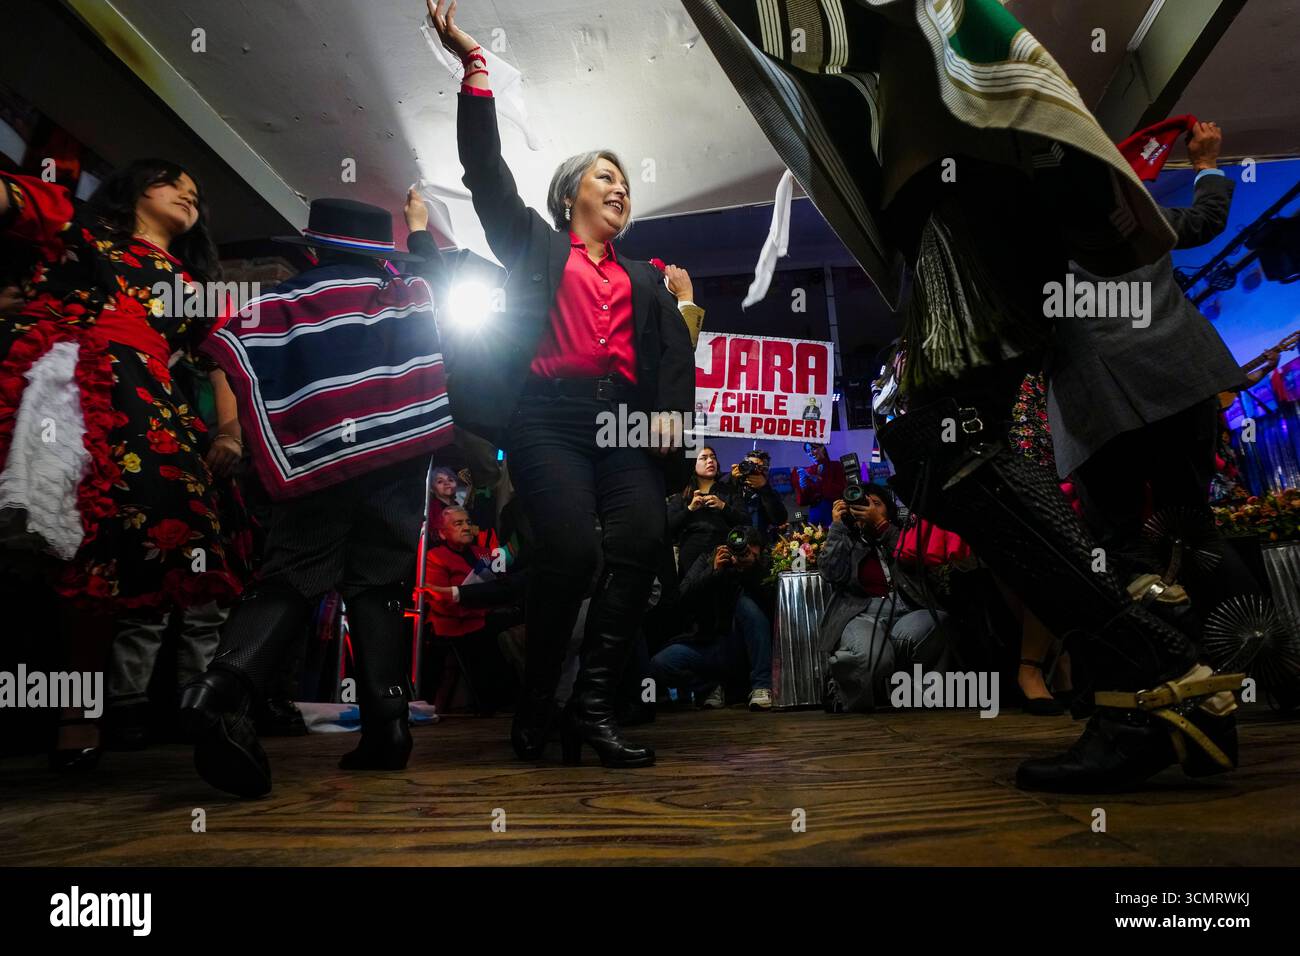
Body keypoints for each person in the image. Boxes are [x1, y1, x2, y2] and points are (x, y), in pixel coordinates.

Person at [684, 0, 1243, 793]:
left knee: (948, 444)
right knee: (952, 446)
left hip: (963, 197)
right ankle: (1152, 675)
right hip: (952, 198)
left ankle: (1156, 672)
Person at [428, 0, 701, 769]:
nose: (620, 189)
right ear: (571, 193)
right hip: (546, 422)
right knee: (573, 554)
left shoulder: (650, 279)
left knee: (645, 538)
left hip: (622, 427)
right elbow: (483, 173)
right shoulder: (535, 247)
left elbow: (673, 361)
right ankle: (539, 698)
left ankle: (591, 708)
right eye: (605, 177)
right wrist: (474, 69)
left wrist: (683, 337)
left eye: (624, 182)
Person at [179, 190, 450, 797]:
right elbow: (441, 340)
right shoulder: (406, 296)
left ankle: (218, 689)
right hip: (396, 457)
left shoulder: (276, 301)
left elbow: (226, 352)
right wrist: (419, 232)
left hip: (315, 461)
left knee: (293, 576)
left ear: (312, 247)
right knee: (379, 584)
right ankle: (389, 726)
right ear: (380, 251)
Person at [0, 159, 245, 768]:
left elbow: (228, 359)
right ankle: (64, 722)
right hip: (70, 391)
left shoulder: (193, 284)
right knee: (49, 553)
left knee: (106, 570)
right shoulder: (86, 232)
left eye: (195, 194)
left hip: (150, 407)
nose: (188, 194)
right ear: (135, 190)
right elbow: (19, 201)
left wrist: (234, 430)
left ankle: (83, 720)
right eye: (173, 182)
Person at [1047, 120, 1262, 613]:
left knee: (1122, 547)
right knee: (1188, 525)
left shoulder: (1035, 244)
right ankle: (1252, 649)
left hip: (1100, 406)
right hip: (1181, 383)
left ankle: (1165, 661)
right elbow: (1206, 220)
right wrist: (1205, 162)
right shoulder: (1140, 219)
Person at [818, 485, 953, 712]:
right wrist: (839, 527)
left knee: (939, 621)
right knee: (871, 658)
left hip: (906, 612)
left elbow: (918, 560)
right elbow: (831, 572)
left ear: (887, 511)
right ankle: (842, 691)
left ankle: (922, 694)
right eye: (861, 503)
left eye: (875, 504)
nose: (866, 508)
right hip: (862, 613)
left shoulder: (897, 533)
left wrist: (882, 526)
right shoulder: (846, 538)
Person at [650, 526, 774, 711]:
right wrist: (714, 572)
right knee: (661, 663)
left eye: (749, 552)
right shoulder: (709, 559)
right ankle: (710, 688)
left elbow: (772, 601)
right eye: (739, 550)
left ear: (759, 552)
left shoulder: (763, 564)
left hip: (745, 645)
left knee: (746, 604)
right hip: (706, 642)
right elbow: (682, 598)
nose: (742, 555)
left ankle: (762, 686)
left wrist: (750, 569)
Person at [420, 506, 522, 712]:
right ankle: (502, 700)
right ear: (442, 533)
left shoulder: (484, 553)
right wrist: (482, 610)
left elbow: (504, 585)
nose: (466, 527)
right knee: (496, 628)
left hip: (486, 616)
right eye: (458, 524)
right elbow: (439, 599)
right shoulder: (433, 557)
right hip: (454, 622)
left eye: (467, 522)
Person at [668, 446, 749, 580]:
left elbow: (746, 522)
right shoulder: (683, 495)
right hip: (691, 561)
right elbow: (668, 527)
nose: (710, 461)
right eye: (704, 458)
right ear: (693, 464)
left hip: (723, 556)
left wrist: (723, 506)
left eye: (713, 457)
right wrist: (690, 509)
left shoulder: (728, 491)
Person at [730, 448, 787, 540]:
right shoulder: (733, 487)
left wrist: (764, 488)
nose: (754, 470)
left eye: (760, 468)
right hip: (734, 540)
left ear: (767, 471)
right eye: (751, 465)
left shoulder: (770, 493)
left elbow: (780, 519)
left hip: (758, 543)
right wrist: (731, 479)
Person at [794, 442, 845, 527]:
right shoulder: (808, 471)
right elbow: (802, 501)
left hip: (833, 510)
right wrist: (802, 487)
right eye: (808, 451)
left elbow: (841, 490)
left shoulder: (835, 465)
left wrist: (814, 478)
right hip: (815, 514)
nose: (811, 453)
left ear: (822, 448)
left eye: (814, 449)